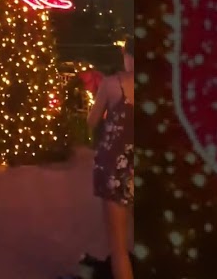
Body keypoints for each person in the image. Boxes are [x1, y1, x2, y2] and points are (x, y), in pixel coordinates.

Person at [88, 34, 135, 279]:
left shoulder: (112, 83)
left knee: (119, 249)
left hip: (117, 170)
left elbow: (91, 121)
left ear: (127, 56)